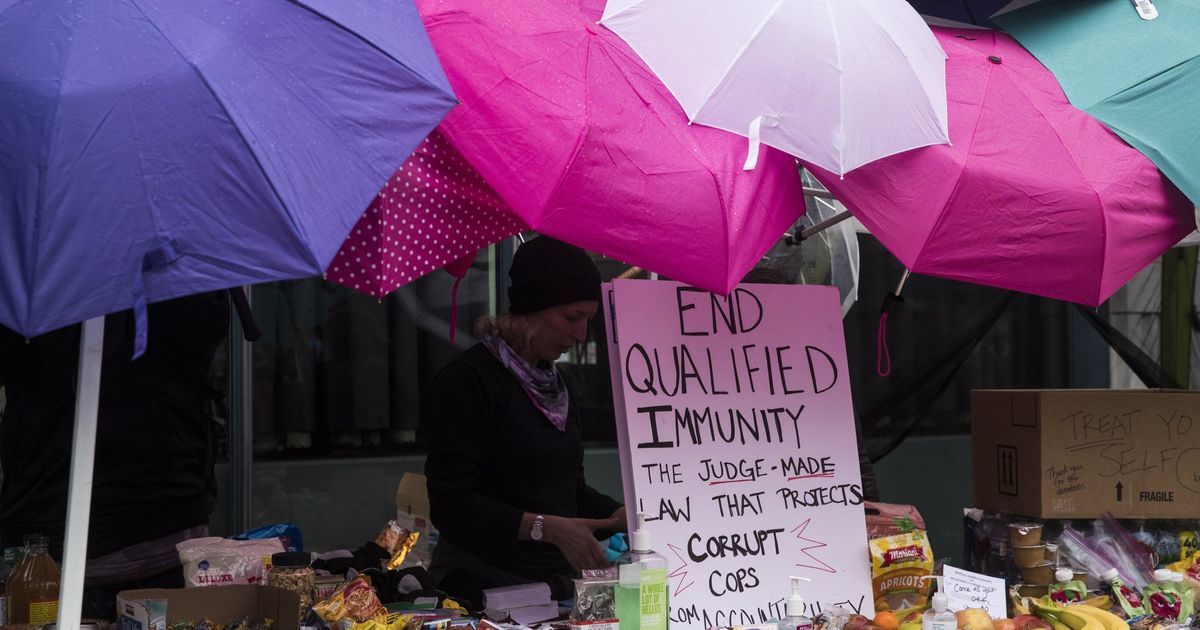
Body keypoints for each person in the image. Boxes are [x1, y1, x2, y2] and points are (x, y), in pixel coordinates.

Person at [0, 291, 230, 619]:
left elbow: (202, 326)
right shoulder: (35, 269)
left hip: (160, 538)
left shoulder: (171, 259)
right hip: (46, 551)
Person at [421, 236, 625, 604]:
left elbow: (569, 493)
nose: (580, 334)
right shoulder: (468, 381)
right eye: (572, 318)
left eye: (588, 320)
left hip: (554, 588)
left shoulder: (555, 385)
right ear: (532, 309)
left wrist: (619, 515)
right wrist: (545, 528)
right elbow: (452, 507)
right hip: (480, 589)